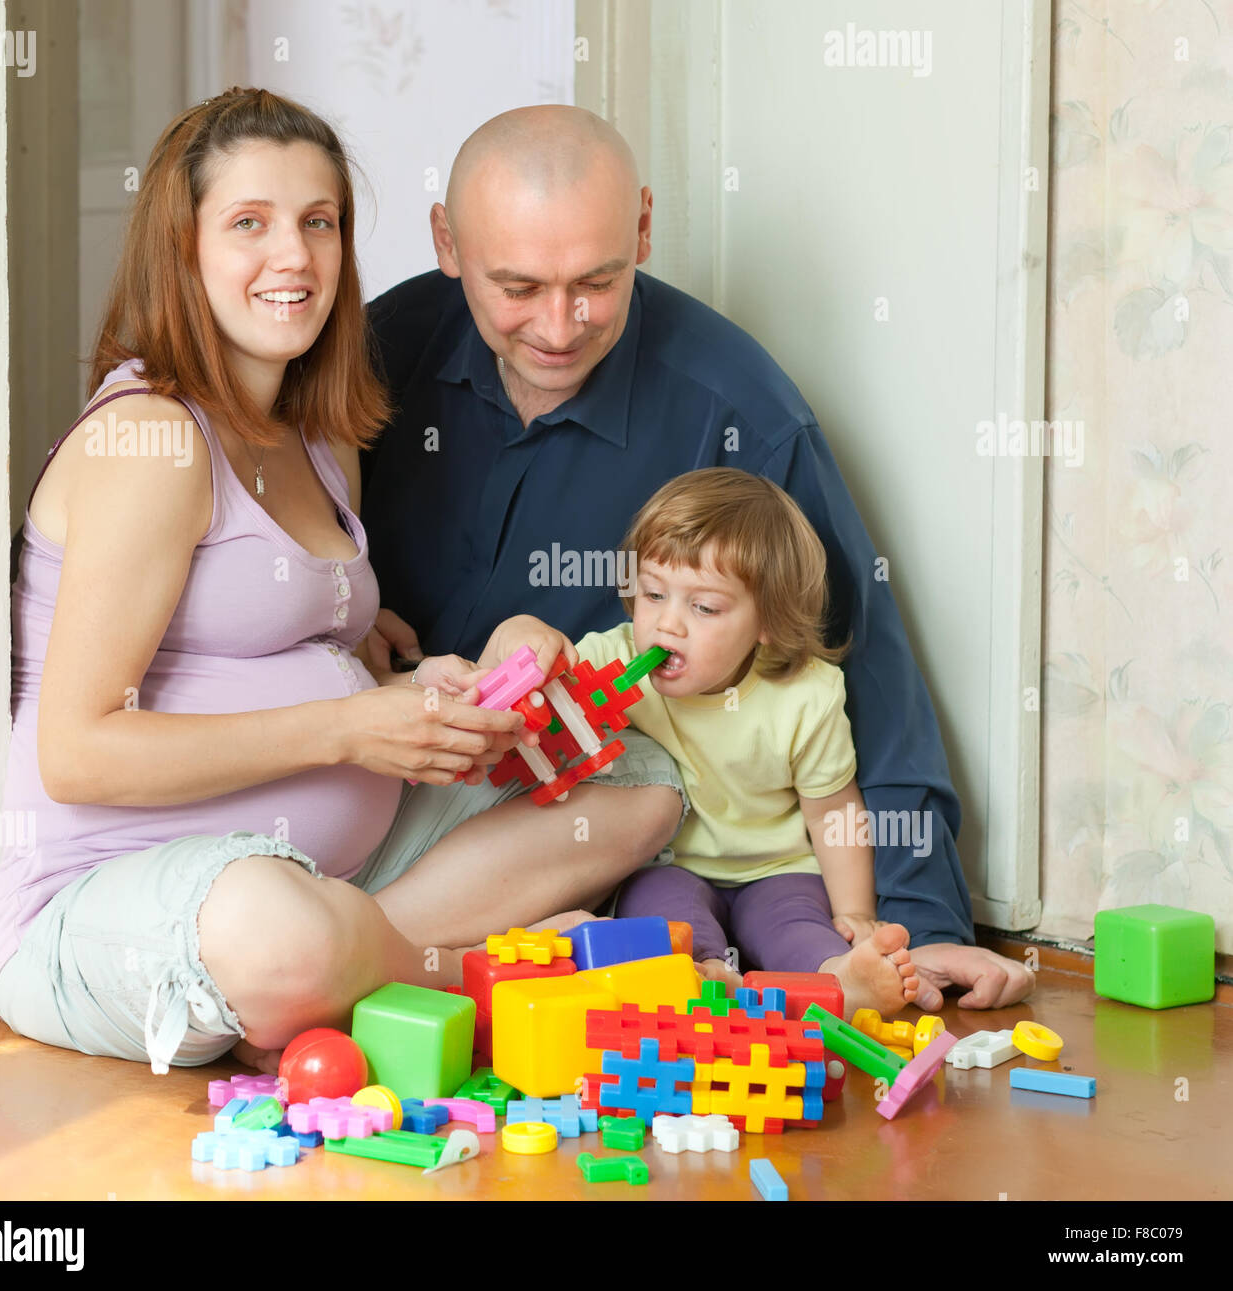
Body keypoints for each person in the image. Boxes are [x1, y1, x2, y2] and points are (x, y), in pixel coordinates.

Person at [0, 88, 686, 1078]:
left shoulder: (318, 439)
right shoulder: (150, 440)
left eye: (320, 222)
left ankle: (360, 971)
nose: (295, 257)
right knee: (276, 928)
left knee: (634, 785)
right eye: (248, 224)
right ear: (182, 250)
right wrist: (348, 729)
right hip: (113, 896)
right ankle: (450, 974)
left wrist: (458, 689)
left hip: (337, 866)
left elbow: (334, 675)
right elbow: (78, 752)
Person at [359, 103, 1035, 1011]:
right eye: (518, 288)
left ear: (642, 227)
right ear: (447, 242)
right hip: (390, 765)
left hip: (571, 821)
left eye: (596, 281)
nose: (559, 326)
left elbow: (858, 659)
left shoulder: (742, 410)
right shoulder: (376, 349)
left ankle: (357, 959)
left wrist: (920, 923)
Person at [569, 467, 925, 1016]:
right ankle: (706, 978)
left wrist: (856, 911)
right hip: (669, 864)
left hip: (777, 870)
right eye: (653, 593)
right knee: (660, 919)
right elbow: (552, 685)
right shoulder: (611, 663)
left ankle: (840, 981)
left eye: (704, 608)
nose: (668, 625)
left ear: (767, 621)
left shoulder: (806, 696)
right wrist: (525, 636)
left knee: (793, 928)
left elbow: (833, 811)